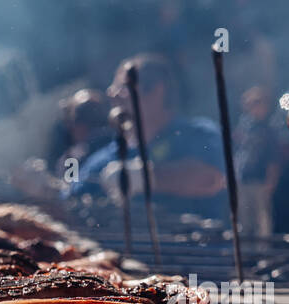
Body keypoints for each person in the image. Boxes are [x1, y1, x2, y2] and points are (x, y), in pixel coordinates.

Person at [67, 53, 227, 223]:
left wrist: (144, 176)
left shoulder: (199, 134)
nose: (111, 94)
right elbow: (70, 204)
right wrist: (44, 193)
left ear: (157, 91)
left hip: (199, 247)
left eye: (122, 87)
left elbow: (211, 179)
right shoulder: (107, 157)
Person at [234, 86, 281, 238]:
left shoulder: (268, 129)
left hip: (260, 179)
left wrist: (271, 179)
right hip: (244, 177)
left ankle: (263, 248)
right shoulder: (245, 127)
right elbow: (240, 152)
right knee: (244, 215)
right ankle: (247, 248)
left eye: (257, 104)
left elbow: (273, 157)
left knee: (262, 217)